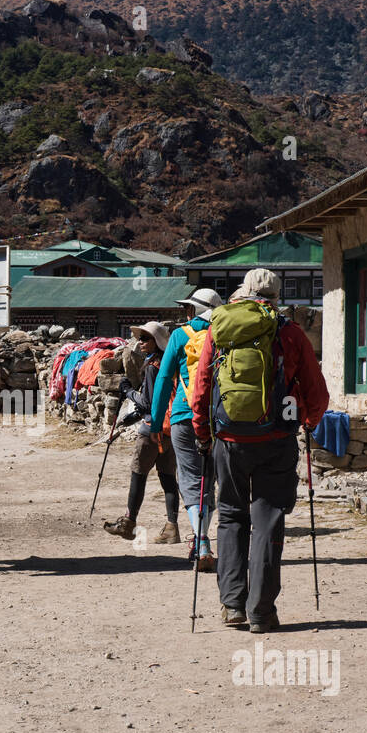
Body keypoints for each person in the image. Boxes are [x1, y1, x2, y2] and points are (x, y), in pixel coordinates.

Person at [189, 269, 329, 633]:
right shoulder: (291, 333)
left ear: (244, 294)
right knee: (268, 520)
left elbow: (201, 387)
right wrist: (309, 422)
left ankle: (232, 605)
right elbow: (317, 391)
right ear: (276, 296)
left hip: (229, 440)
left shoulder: (220, 330)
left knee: (232, 517)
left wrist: (203, 434)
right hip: (276, 439)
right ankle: (261, 612)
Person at [148, 287, 223, 572]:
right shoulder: (225, 334)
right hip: (217, 419)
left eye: (187, 308)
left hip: (182, 416)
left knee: (190, 479)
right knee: (210, 478)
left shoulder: (179, 336)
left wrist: (156, 424)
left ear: (192, 310)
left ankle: (201, 540)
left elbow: (164, 381)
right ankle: (204, 536)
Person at [102, 321, 180, 544]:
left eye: (146, 338)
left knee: (138, 474)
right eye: (140, 338)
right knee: (168, 479)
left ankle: (128, 523)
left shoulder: (154, 365)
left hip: (152, 428)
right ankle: (172, 528)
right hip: (170, 427)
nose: (141, 342)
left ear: (157, 341)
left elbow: (147, 402)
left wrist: (127, 392)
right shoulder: (170, 362)